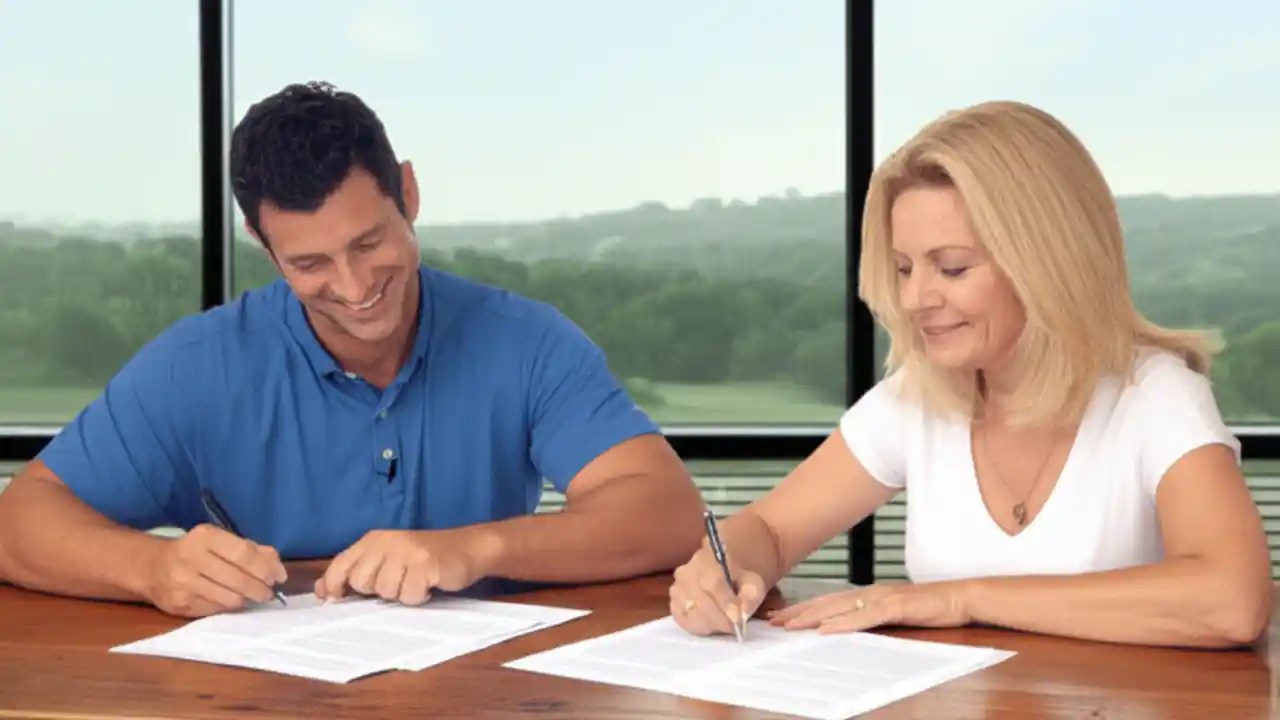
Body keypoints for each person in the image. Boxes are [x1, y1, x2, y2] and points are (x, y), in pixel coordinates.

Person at [0, 81, 705, 618]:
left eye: (369, 243)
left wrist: (472, 547)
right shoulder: (196, 365)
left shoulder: (527, 341)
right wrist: (151, 570)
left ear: (408, 191)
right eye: (310, 264)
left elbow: (666, 513)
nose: (355, 286)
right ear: (262, 243)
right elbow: (20, 522)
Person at [668, 100, 1273, 649]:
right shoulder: (915, 399)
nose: (914, 299)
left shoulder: (1157, 396)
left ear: (1046, 263)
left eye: (951, 269)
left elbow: (1233, 601)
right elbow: (771, 529)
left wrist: (957, 599)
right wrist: (724, 570)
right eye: (904, 268)